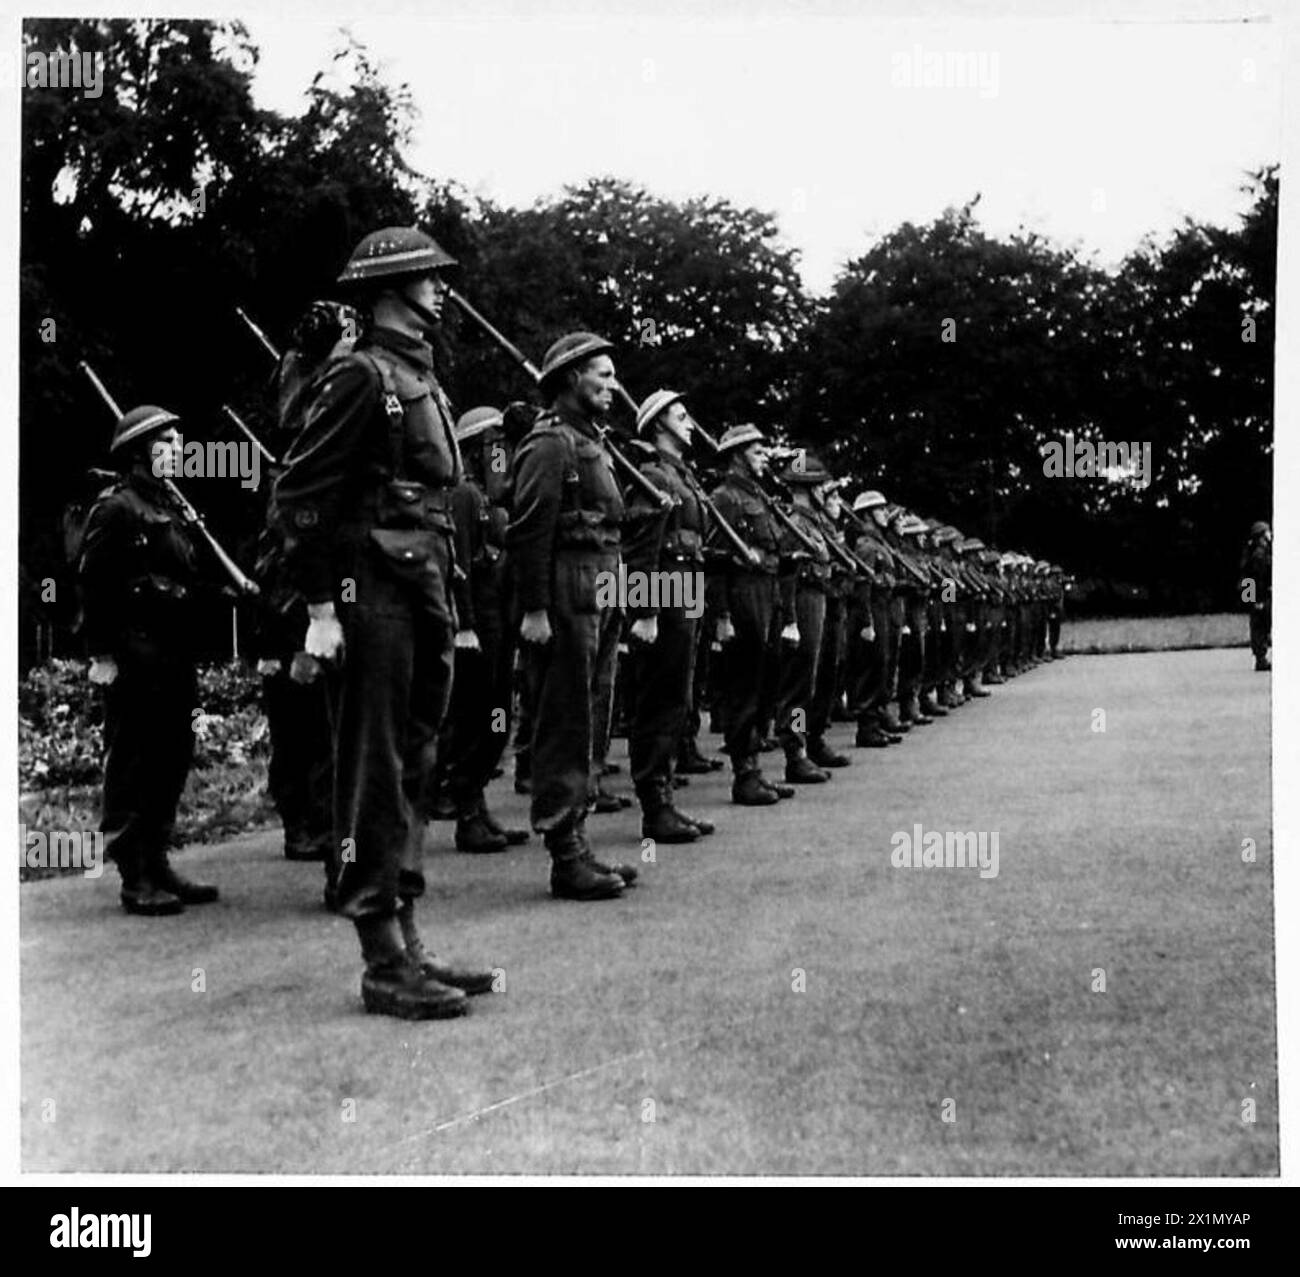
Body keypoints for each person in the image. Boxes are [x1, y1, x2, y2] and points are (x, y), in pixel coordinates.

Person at [272, 226, 494, 1019]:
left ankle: (409, 938)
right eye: (427, 276)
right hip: (371, 595)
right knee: (374, 770)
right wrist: (320, 609)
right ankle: (381, 958)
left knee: (414, 766)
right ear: (390, 290)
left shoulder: (420, 376)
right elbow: (300, 496)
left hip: (423, 589)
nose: (441, 287)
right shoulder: (361, 376)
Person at [507, 331, 638, 901]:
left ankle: (579, 842)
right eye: (602, 375)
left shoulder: (592, 442)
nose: (613, 385)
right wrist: (535, 610)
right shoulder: (550, 445)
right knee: (565, 722)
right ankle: (565, 854)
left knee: (592, 716)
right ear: (570, 379)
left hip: (599, 591)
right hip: (566, 596)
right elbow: (529, 533)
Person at [78, 405, 221, 916]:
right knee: (134, 761)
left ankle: (157, 862)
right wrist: (101, 654)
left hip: (174, 650)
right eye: (167, 443)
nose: (178, 449)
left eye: (179, 442)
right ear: (141, 453)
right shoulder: (116, 508)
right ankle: (134, 874)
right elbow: (93, 583)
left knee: (171, 756)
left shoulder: (172, 504)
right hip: (135, 652)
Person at [623, 389, 717, 842]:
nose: (690, 423)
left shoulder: (683, 475)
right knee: (659, 697)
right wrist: (644, 612)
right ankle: (654, 807)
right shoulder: (651, 474)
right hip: (665, 583)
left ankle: (665, 800)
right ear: (659, 424)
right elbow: (641, 546)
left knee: (679, 693)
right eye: (681, 416)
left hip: (687, 583)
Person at [445, 406, 529, 852]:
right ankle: (466, 811)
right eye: (496, 445)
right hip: (477, 624)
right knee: (475, 719)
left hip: (501, 620)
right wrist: (465, 625)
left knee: (498, 720)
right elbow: (458, 564)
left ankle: (477, 804)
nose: (503, 453)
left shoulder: (494, 501)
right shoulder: (464, 496)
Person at [709, 424, 797, 805]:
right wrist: (721, 615)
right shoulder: (725, 497)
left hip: (768, 591)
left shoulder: (759, 496)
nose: (764, 457)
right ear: (738, 454)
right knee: (743, 686)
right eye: (757, 451)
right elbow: (715, 561)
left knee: (765, 683)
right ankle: (744, 773)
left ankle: (755, 768)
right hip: (743, 594)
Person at [1240, 522, 1271, 671]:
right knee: (1261, 626)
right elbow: (1258, 579)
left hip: (1252, 594)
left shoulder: (1254, 552)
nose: (1270, 534)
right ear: (1262, 536)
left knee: (1259, 625)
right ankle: (1261, 659)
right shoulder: (1259, 555)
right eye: (1267, 532)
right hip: (1259, 595)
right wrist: (1257, 600)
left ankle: (1260, 657)